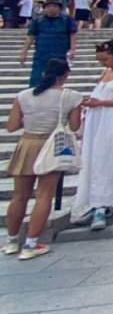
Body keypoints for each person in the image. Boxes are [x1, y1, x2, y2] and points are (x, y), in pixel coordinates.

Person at [5, 58, 83, 259]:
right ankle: (31, 244)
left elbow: (11, 126)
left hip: (27, 143)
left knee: (19, 196)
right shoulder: (71, 97)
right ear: (64, 76)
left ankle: (12, 241)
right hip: (52, 146)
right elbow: (74, 127)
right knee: (44, 195)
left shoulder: (23, 96)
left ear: (43, 74)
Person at [71, 39, 113, 231]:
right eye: (101, 61)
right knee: (93, 160)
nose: (103, 63)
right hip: (97, 119)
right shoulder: (107, 72)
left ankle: (104, 204)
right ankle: (93, 203)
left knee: (108, 159)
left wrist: (101, 103)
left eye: (106, 59)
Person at [19, 0, 76, 88]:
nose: (51, 8)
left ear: (59, 8)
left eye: (54, 6)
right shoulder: (38, 21)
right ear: (44, 8)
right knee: (36, 79)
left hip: (59, 55)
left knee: (56, 80)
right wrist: (24, 51)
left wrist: (72, 49)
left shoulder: (67, 20)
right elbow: (31, 36)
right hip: (41, 55)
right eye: (48, 6)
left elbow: (72, 34)